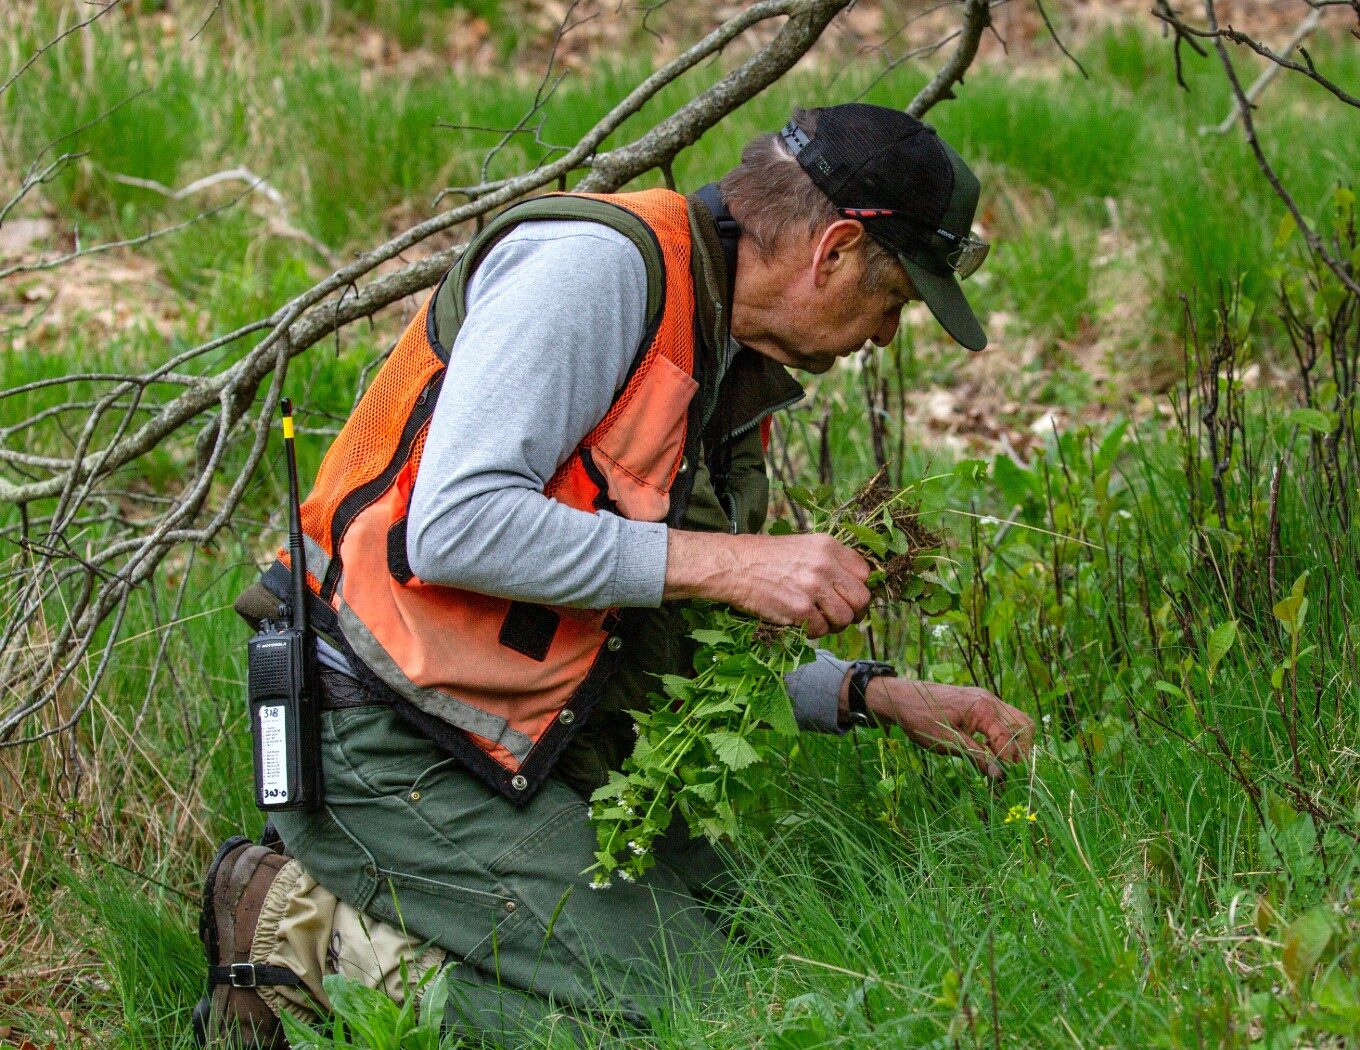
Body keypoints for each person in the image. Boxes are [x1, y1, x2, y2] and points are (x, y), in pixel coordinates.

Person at [195, 102, 1034, 1047]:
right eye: (895, 301)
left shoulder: (718, 355)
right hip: (382, 742)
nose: (884, 337)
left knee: (777, 951)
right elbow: (453, 526)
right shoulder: (596, 274)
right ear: (833, 250)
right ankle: (300, 938)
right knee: (702, 1016)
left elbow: (637, 626)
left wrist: (868, 694)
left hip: (517, 743)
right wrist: (733, 561)